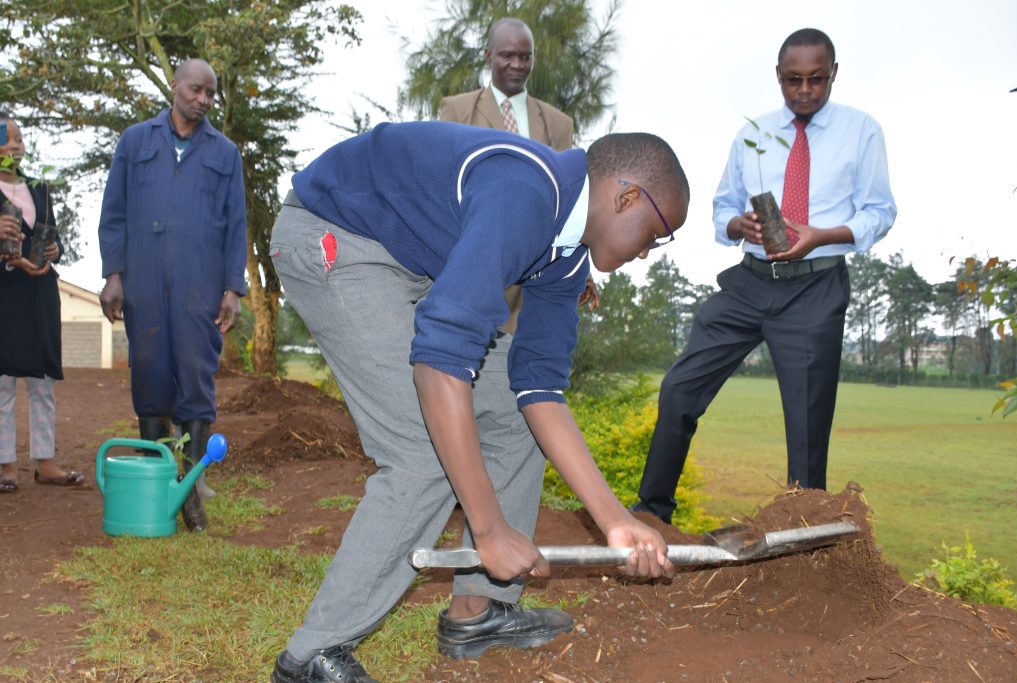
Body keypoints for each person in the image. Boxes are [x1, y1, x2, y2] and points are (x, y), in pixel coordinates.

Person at [268, 121, 689, 683]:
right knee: (424, 450)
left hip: (405, 265)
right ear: (627, 196)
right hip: (334, 236)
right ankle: (313, 655)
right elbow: (440, 365)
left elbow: (539, 388)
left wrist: (615, 521)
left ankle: (478, 611)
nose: (649, 253)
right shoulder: (526, 193)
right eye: (657, 234)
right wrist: (488, 530)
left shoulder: (564, 255)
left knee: (516, 415)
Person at [632, 28, 897, 524]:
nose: (804, 90)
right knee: (679, 388)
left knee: (806, 427)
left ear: (833, 74)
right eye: (793, 80)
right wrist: (739, 224)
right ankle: (651, 512)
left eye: (816, 79)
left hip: (816, 287)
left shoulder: (862, 131)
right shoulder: (753, 134)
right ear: (778, 77)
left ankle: (802, 534)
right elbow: (722, 209)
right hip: (751, 281)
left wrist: (820, 235)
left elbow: (879, 213)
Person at [97, 58, 247, 530]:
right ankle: (159, 479)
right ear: (175, 86)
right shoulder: (135, 141)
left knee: (196, 375)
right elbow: (115, 210)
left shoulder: (225, 154)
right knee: (150, 376)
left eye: (210, 94)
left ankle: (192, 487)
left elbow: (235, 224)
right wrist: (113, 273)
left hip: (198, 282)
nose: (202, 100)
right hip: (142, 278)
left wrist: (231, 286)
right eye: (196, 90)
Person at [439, 16, 599, 320]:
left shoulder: (557, 123)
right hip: (466, 264)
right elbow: (441, 185)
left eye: (525, 56)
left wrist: (583, 273)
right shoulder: (457, 110)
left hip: (531, 277)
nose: (517, 64)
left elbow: (572, 204)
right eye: (507, 55)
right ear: (489, 56)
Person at [0, 112, 85, 493]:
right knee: (2, 383)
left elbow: (56, 240)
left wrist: (54, 249)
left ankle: (45, 462)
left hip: (39, 293)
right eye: (7, 139)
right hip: (5, 294)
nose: (15, 145)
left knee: (42, 381)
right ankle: (5, 466)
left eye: (19, 139)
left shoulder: (40, 187)